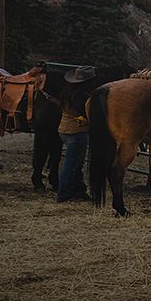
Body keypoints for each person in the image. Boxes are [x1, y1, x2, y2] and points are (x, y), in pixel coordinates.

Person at [56, 66, 99, 203]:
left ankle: (78, 190)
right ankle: (64, 194)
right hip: (76, 132)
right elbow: (87, 114)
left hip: (64, 129)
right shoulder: (82, 96)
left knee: (75, 163)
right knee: (71, 164)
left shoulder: (67, 92)